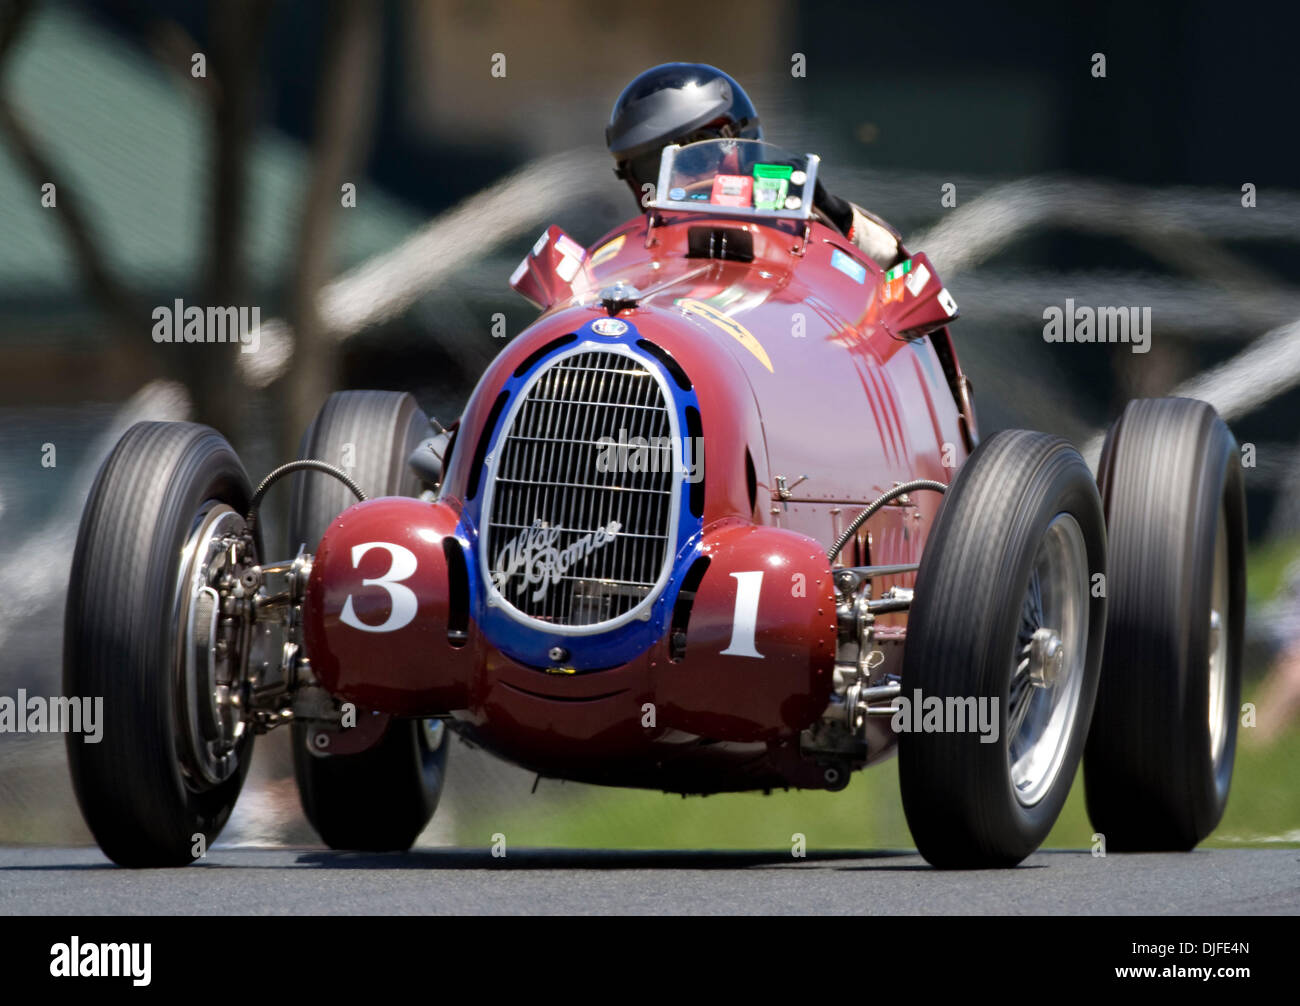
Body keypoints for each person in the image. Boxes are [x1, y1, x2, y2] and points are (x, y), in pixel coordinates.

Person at [605, 62, 905, 268]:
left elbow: (894, 269)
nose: (677, 177)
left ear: (738, 141)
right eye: (651, 168)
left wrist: (830, 211)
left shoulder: (799, 231)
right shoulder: (624, 258)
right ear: (632, 181)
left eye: (696, 152)